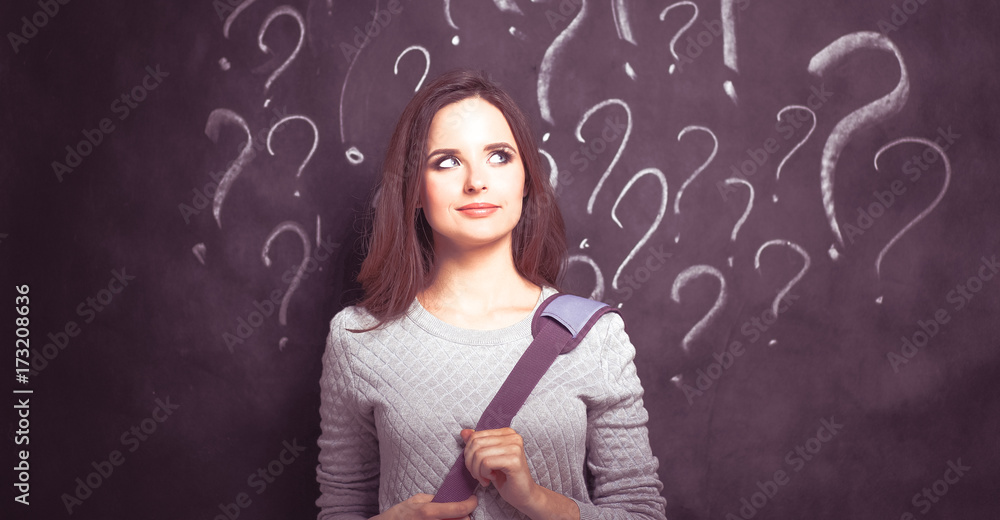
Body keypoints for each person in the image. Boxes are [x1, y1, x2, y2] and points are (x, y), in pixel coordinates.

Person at [316, 69, 667, 520]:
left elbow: (642, 511)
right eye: (446, 162)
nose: (476, 182)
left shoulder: (595, 336)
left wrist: (537, 500)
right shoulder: (357, 338)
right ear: (414, 190)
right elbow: (340, 506)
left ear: (526, 179)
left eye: (499, 156)